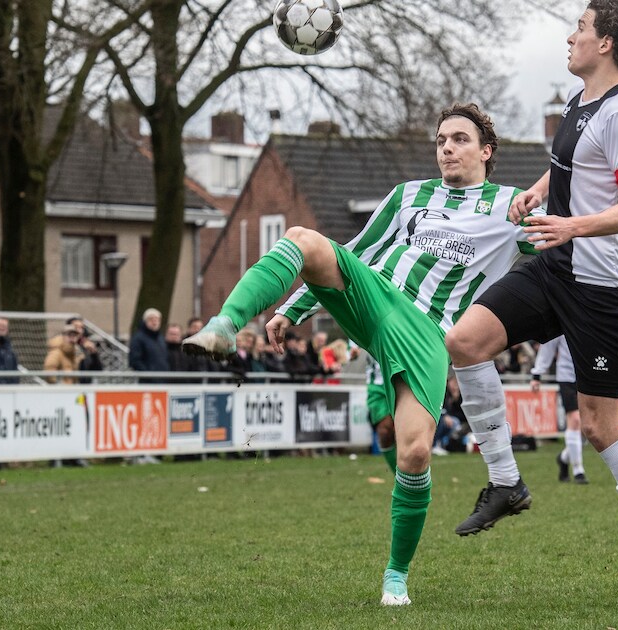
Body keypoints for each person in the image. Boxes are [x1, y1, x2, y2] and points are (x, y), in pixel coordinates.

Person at [183, 102, 540, 606]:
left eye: (459, 139)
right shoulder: (408, 195)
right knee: (304, 239)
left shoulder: (511, 206)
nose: (446, 149)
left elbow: (558, 243)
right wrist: (293, 308)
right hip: (378, 299)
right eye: (440, 140)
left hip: (429, 333)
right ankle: (224, 325)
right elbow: (359, 249)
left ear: (486, 150)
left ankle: (396, 575)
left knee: (414, 453)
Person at [442, 1, 618, 607]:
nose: (571, 35)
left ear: (605, 44)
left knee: (605, 429)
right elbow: (572, 171)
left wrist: (572, 226)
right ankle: (506, 482)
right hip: (559, 265)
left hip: (607, 291)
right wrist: (537, 191)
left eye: (581, 27)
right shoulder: (581, 105)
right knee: (465, 341)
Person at [531, 336, 587, 483]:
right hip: (567, 378)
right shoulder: (563, 319)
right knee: (574, 419)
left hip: (589, 377)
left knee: (588, 428)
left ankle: (563, 458)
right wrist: (537, 374)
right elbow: (548, 346)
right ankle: (578, 471)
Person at [128, 308, 169, 379]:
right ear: (145, 321)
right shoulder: (138, 338)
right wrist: (148, 374)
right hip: (148, 382)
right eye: (151, 319)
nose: (154, 322)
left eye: (157, 319)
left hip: (163, 379)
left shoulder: (161, 338)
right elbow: (135, 360)